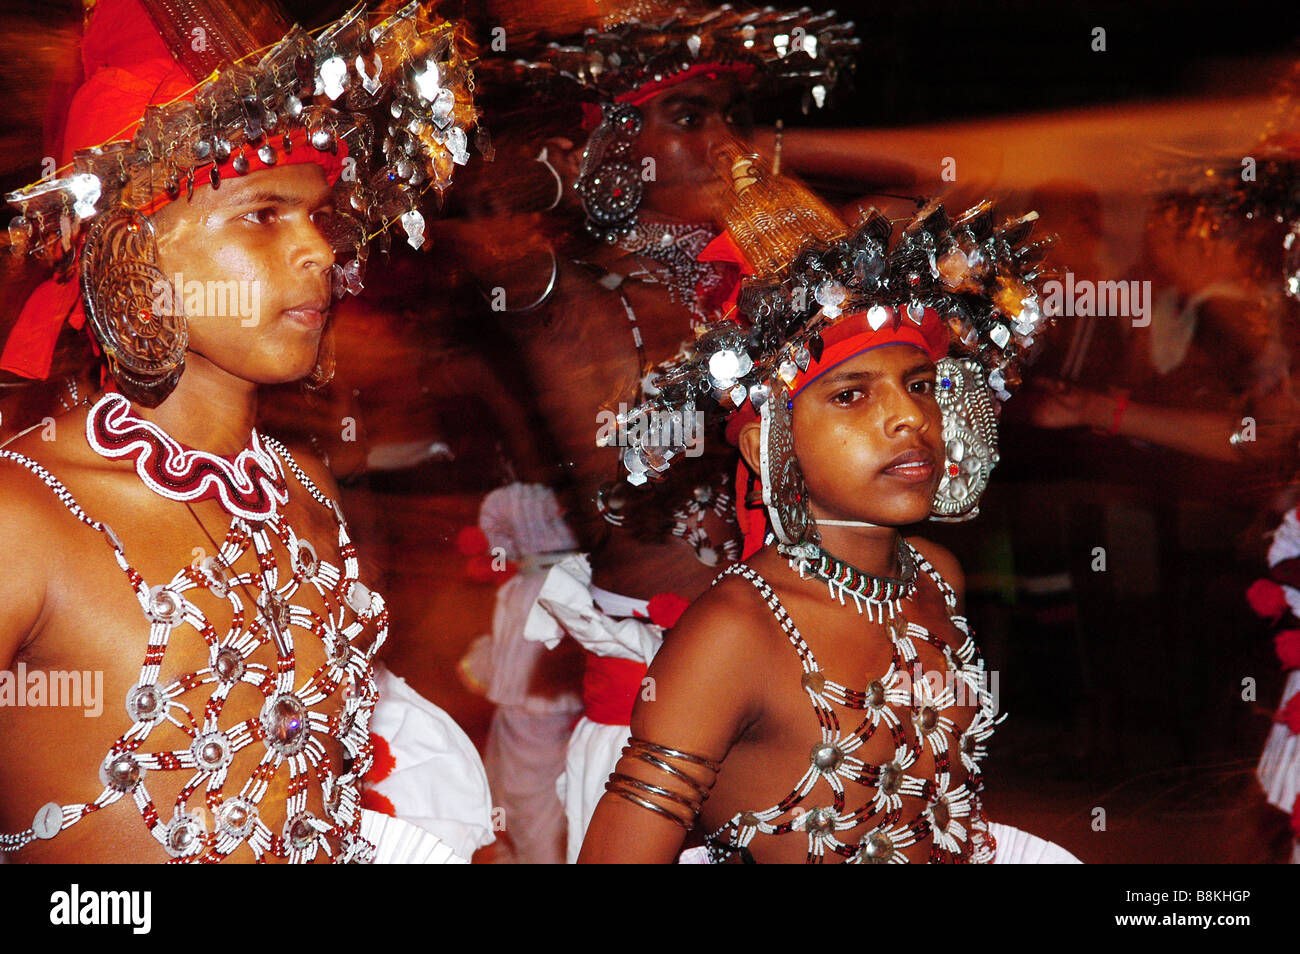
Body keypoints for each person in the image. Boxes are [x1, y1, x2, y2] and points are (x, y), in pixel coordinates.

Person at [0, 0, 485, 863]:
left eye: (316, 215)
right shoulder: (22, 518)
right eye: (262, 214)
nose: (318, 252)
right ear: (131, 260)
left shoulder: (307, 491)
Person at [579, 153, 1078, 863]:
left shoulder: (936, 576)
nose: (909, 419)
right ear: (765, 442)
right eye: (851, 395)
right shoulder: (734, 634)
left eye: (921, 384)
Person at [467, 0, 859, 863]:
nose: (727, 142)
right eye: (689, 116)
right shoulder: (566, 300)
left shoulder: (769, 296)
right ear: (605, 147)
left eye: (733, 118)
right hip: (650, 723)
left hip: (791, 696)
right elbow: (490, 201)